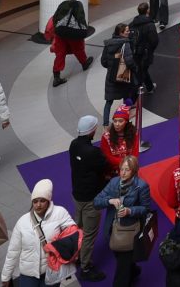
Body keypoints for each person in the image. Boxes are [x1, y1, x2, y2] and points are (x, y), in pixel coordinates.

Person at [0, 178, 76, 287]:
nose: (38, 205)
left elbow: (73, 233)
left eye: (42, 200)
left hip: (52, 270)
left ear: (49, 200)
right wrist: (5, 277)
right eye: (35, 201)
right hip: (28, 274)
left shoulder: (60, 213)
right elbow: (13, 252)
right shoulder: (22, 222)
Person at [94, 155, 154, 287]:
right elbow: (96, 202)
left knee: (122, 268)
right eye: (121, 169)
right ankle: (133, 270)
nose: (123, 173)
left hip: (130, 231)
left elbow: (145, 209)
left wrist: (130, 211)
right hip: (113, 228)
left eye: (127, 170)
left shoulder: (142, 186)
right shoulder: (114, 182)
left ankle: (127, 274)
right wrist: (109, 201)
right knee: (123, 260)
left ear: (134, 171)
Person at [70, 116, 110, 281]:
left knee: (78, 229)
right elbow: (105, 165)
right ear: (92, 130)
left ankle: (77, 257)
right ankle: (85, 267)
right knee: (89, 234)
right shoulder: (93, 152)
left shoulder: (73, 145)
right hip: (91, 199)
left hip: (77, 195)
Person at [51, 0, 93, 88]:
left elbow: (55, 17)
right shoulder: (77, 4)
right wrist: (84, 29)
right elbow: (80, 18)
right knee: (78, 48)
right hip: (72, 32)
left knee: (60, 53)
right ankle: (84, 63)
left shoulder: (62, 4)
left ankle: (56, 76)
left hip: (60, 32)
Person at [102, 24, 138, 122]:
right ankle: (125, 116)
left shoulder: (108, 44)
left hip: (111, 77)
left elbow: (103, 62)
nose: (129, 32)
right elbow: (129, 61)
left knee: (108, 102)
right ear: (121, 33)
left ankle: (105, 125)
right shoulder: (125, 44)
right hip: (123, 76)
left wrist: (112, 68)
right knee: (127, 96)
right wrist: (135, 69)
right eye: (127, 31)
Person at [129, 2, 160, 95]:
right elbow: (154, 40)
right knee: (143, 70)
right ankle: (141, 88)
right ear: (147, 10)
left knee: (140, 69)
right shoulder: (149, 24)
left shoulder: (132, 24)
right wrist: (150, 49)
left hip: (134, 51)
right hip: (145, 52)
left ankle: (149, 86)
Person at [101, 107, 140, 174]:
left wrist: (129, 165)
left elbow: (135, 152)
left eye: (120, 121)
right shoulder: (106, 137)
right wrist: (124, 163)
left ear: (126, 122)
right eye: (115, 121)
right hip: (113, 170)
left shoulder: (134, 134)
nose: (117, 124)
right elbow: (107, 156)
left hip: (130, 167)